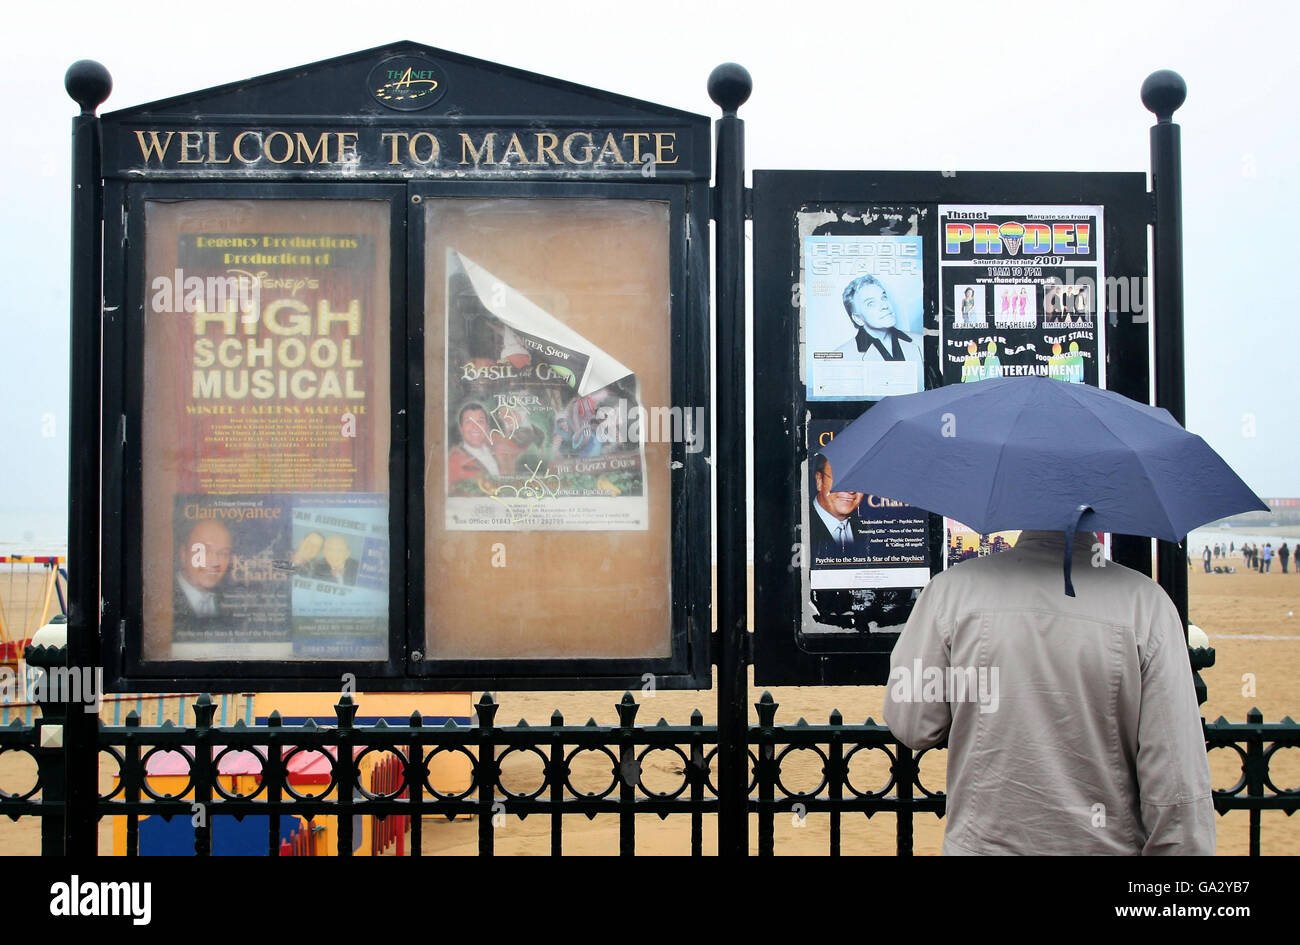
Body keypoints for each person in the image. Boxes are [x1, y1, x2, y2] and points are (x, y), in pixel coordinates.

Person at [884, 530, 1215, 855]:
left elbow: (913, 724)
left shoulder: (954, 590)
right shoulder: (1145, 603)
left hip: (983, 844)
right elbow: (1175, 776)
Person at [833, 274, 922, 365]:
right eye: (871, 304)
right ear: (858, 319)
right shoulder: (842, 358)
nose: (884, 306)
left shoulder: (921, 342)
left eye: (883, 298)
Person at [448, 401, 522, 485]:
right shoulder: (454, 461)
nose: (475, 426)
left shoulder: (498, 447)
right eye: (469, 422)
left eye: (480, 421)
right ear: (461, 428)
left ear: (487, 426)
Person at [808, 453, 866, 561]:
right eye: (840, 478)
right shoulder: (802, 527)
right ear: (819, 481)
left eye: (858, 480)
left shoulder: (868, 530)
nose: (851, 490)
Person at [174, 519, 233, 620]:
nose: (215, 562)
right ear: (184, 554)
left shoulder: (232, 602)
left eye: (223, 553)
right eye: (204, 551)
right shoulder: (163, 597)